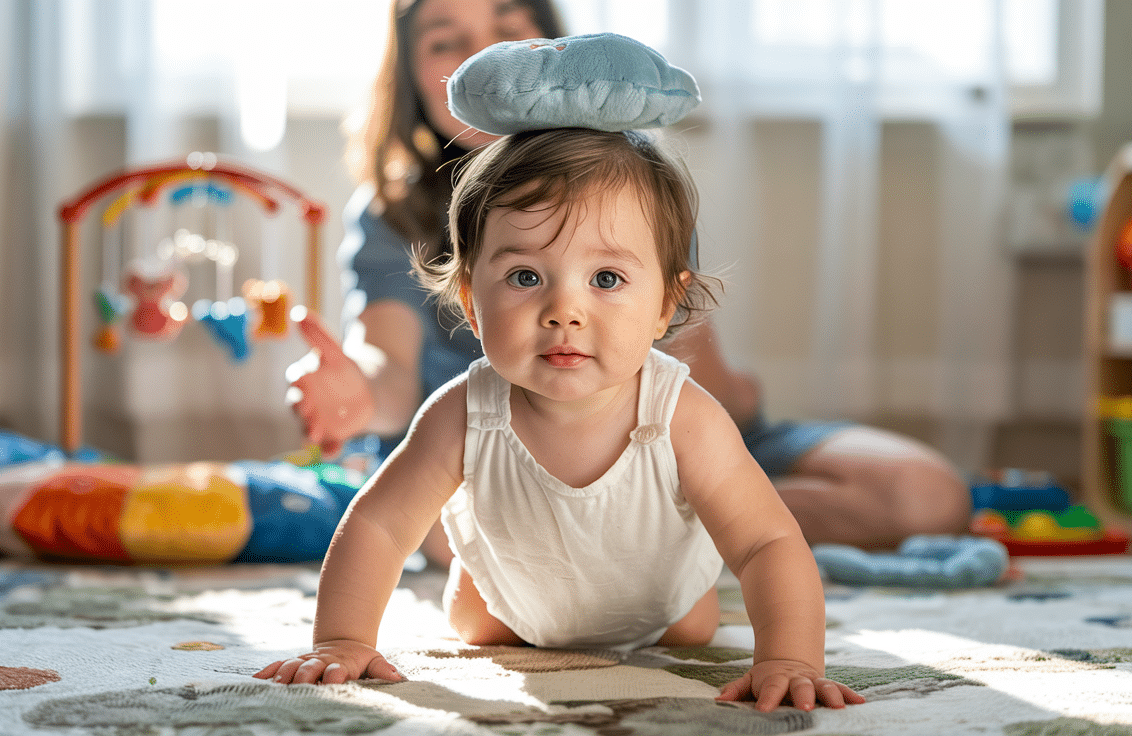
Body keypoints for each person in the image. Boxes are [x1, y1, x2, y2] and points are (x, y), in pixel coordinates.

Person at [287, 0, 969, 554]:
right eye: (446, 41)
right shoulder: (393, 211)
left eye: (504, 28)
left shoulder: (635, 189)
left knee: (926, 494)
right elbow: (390, 368)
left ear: (547, 45)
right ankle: (626, 536)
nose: (479, 53)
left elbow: (703, 381)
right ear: (410, 76)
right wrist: (355, 397)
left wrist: (721, 428)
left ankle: (666, 533)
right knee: (444, 529)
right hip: (495, 459)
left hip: (668, 436)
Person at [258, 127, 867, 712]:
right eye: (525, 277)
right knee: (473, 618)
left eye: (606, 278)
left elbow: (765, 542)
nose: (563, 311)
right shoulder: (460, 413)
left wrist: (791, 660)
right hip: (509, 608)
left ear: (664, 305)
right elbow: (379, 528)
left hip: (663, 612)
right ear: (472, 301)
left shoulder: (682, 416)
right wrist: (343, 640)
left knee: (695, 623)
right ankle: (493, 595)